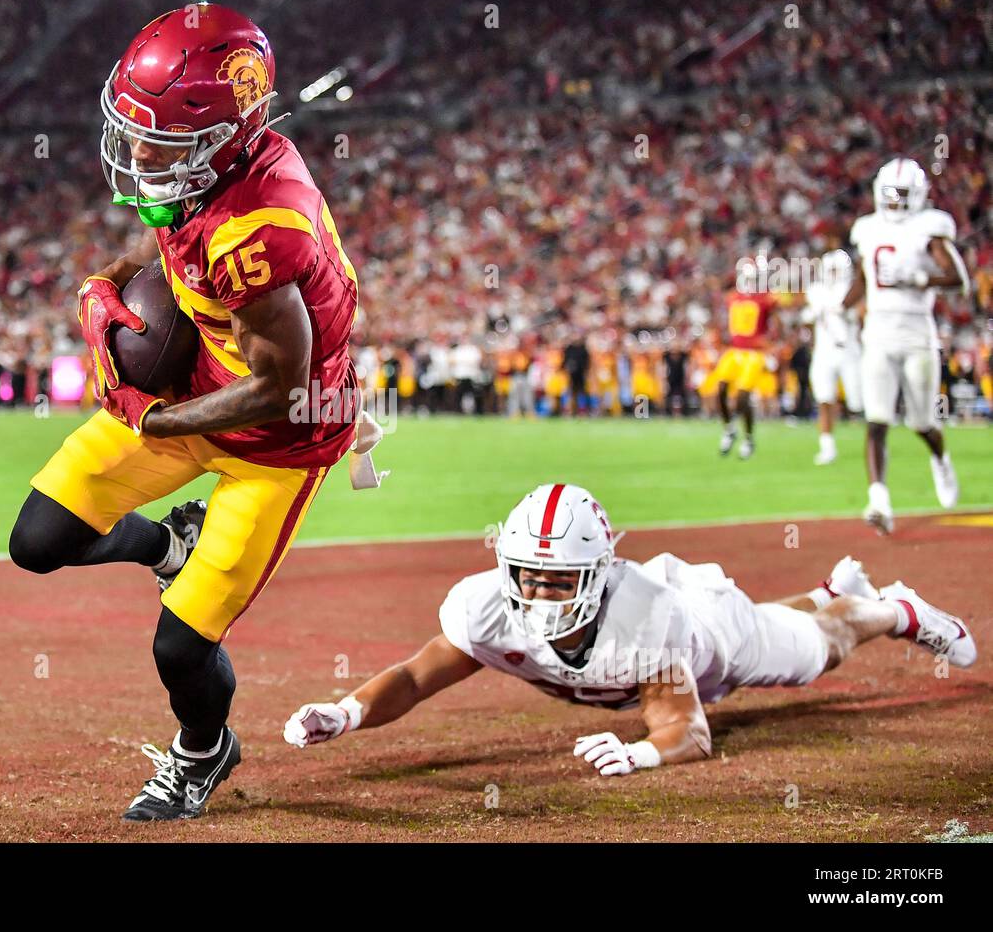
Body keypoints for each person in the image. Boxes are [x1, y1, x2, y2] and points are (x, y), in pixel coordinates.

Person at [7, 4, 361, 821]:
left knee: (181, 645)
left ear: (219, 140)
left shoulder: (258, 226)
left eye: (158, 141)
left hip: (275, 438)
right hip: (204, 384)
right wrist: (103, 287)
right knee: (39, 541)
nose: (136, 154)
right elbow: (167, 251)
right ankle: (171, 544)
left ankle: (202, 751)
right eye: (133, 131)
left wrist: (150, 416)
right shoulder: (212, 172)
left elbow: (280, 383)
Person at [284, 483, 977, 777]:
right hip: (667, 620)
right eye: (527, 574)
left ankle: (897, 609)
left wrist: (641, 754)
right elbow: (412, 677)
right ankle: (827, 591)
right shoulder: (486, 604)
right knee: (793, 622)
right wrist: (344, 713)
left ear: (599, 573)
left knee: (816, 653)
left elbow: (690, 730)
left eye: (558, 578)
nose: (538, 591)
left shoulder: (647, 618)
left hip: (713, 638)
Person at [845, 158, 970, 534]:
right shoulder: (867, 229)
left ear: (917, 196)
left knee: (921, 421)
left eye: (902, 195)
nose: (896, 202)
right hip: (879, 333)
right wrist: (841, 308)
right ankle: (879, 499)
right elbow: (864, 279)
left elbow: (958, 279)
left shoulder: (928, 228)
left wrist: (918, 277)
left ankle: (941, 459)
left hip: (917, 333)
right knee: (877, 419)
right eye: (890, 195)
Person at [707, 263, 779, 459]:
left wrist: (771, 342)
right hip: (734, 350)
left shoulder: (765, 300)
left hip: (754, 353)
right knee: (719, 389)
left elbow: (777, 316)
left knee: (742, 396)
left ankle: (748, 438)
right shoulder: (733, 298)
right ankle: (729, 429)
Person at [805, 249, 864, 464]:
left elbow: (857, 312)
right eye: (830, 269)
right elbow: (810, 317)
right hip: (824, 352)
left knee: (858, 403)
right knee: (824, 399)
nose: (833, 273)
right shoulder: (816, 290)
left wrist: (841, 310)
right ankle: (827, 446)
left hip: (849, 351)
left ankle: (875, 441)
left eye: (836, 270)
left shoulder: (852, 291)